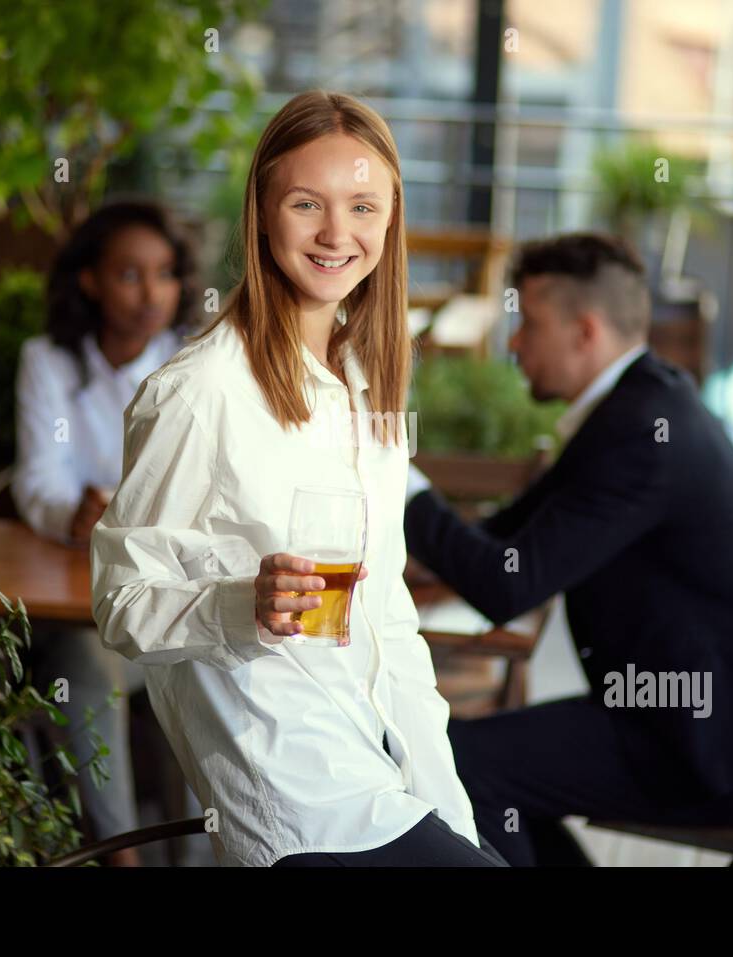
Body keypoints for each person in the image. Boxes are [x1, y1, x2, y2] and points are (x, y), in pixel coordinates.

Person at [91, 90, 507, 867]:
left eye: (362, 206)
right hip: (293, 796)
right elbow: (121, 603)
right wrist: (238, 603)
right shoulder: (199, 393)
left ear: (390, 222)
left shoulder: (368, 379)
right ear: (261, 214)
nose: (335, 233)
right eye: (307, 203)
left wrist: (451, 808)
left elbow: (386, 614)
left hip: (385, 771)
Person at [403, 233, 733, 866]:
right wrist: (405, 546)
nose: (514, 343)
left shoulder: (638, 433)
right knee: (472, 761)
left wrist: (398, 484)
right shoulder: (641, 402)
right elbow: (510, 534)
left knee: (461, 764)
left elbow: (507, 586)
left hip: (723, 748)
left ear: (585, 330)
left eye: (529, 324)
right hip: (700, 716)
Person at [12, 199, 195, 864]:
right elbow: (38, 478)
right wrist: (71, 515)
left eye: (166, 273)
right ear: (89, 280)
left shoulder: (194, 362)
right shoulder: (50, 361)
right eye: (129, 274)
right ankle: (120, 854)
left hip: (175, 600)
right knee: (82, 662)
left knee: (221, 653)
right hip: (79, 595)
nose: (152, 294)